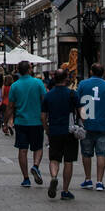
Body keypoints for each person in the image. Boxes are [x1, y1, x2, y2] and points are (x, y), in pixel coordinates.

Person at [76, 62, 105, 191]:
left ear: (91, 72)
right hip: (103, 124)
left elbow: (77, 103)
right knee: (101, 154)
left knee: (86, 153)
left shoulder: (83, 84)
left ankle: (88, 179)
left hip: (87, 124)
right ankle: (99, 182)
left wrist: (83, 117)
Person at [42, 68, 80, 200]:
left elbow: (43, 116)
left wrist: (47, 129)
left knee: (54, 159)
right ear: (66, 78)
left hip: (54, 131)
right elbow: (81, 112)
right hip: (70, 131)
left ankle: (54, 177)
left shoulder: (48, 95)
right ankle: (65, 190)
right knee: (68, 161)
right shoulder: (72, 94)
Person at [7, 60, 47, 186]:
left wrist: (5, 122)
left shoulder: (15, 85)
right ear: (29, 70)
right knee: (38, 147)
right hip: (36, 121)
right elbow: (45, 100)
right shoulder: (38, 83)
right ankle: (35, 165)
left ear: (18, 71)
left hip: (21, 122)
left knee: (22, 150)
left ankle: (26, 178)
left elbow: (10, 106)